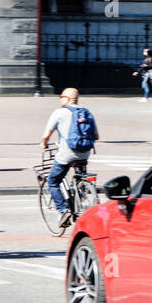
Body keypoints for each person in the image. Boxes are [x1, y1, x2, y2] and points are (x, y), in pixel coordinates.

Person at [40, 88, 98, 227]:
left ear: (67, 98)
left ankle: (63, 211)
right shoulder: (87, 112)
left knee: (53, 181)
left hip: (67, 154)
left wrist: (44, 144)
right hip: (85, 153)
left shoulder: (59, 112)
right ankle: (83, 194)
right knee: (80, 176)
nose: (60, 99)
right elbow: (96, 136)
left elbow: (46, 134)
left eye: (61, 97)